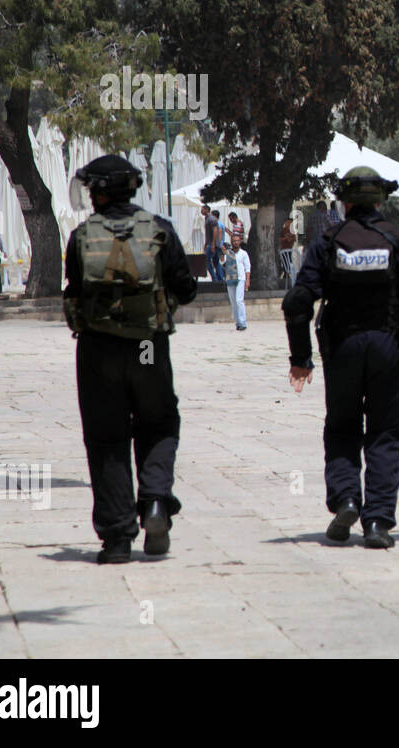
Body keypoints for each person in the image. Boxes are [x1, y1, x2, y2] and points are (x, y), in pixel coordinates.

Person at [282, 167, 399, 548]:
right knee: (386, 432)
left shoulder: (327, 241)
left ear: (346, 202)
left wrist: (301, 358)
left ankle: (347, 499)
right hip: (388, 345)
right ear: (382, 200)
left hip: (341, 348)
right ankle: (377, 524)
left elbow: (298, 301)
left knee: (342, 427)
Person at [62, 155, 198, 563]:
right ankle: (155, 502)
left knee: (106, 439)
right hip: (147, 347)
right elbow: (187, 290)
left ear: (99, 193)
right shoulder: (160, 230)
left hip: (99, 348)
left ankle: (118, 538)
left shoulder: (82, 236)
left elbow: (73, 293)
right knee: (158, 422)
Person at [223, 237, 251, 330]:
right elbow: (221, 261)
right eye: (234, 241)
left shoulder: (244, 253)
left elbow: (247, 268)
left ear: (240, 242)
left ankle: (243, 322)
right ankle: (238, 322)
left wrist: (247, 280)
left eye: (237, 241)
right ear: (232, 242)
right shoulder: (228, 253)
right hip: (230, 279)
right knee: (233, 302)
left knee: (239, 301)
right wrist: (223, 252)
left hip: (240, 279)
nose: (236, 242)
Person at [202, 205, 224, 282]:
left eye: (203, 209)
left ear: (207, 210)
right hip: (211, 243)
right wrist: (206, 244)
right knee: (216, 262)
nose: (201, 211)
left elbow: (215, 231)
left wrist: (213, 244)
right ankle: (220, 279)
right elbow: (208, 233)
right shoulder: (207, 219)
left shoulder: (212, 219)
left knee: (206, 261)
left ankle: (215, 278)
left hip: (213, 244)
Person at [278, 217, 298, 285]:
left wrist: (291, 237)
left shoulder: (292, 231)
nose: (289, 224)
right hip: (283, 249)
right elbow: (280, 239)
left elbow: (294, 239)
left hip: (290, 249)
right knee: (285, 263)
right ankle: (285, 274)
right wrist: (285, 238)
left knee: (289, 262)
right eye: (288, 222)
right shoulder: (283, 230)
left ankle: (287, 275)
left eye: (290, 223)